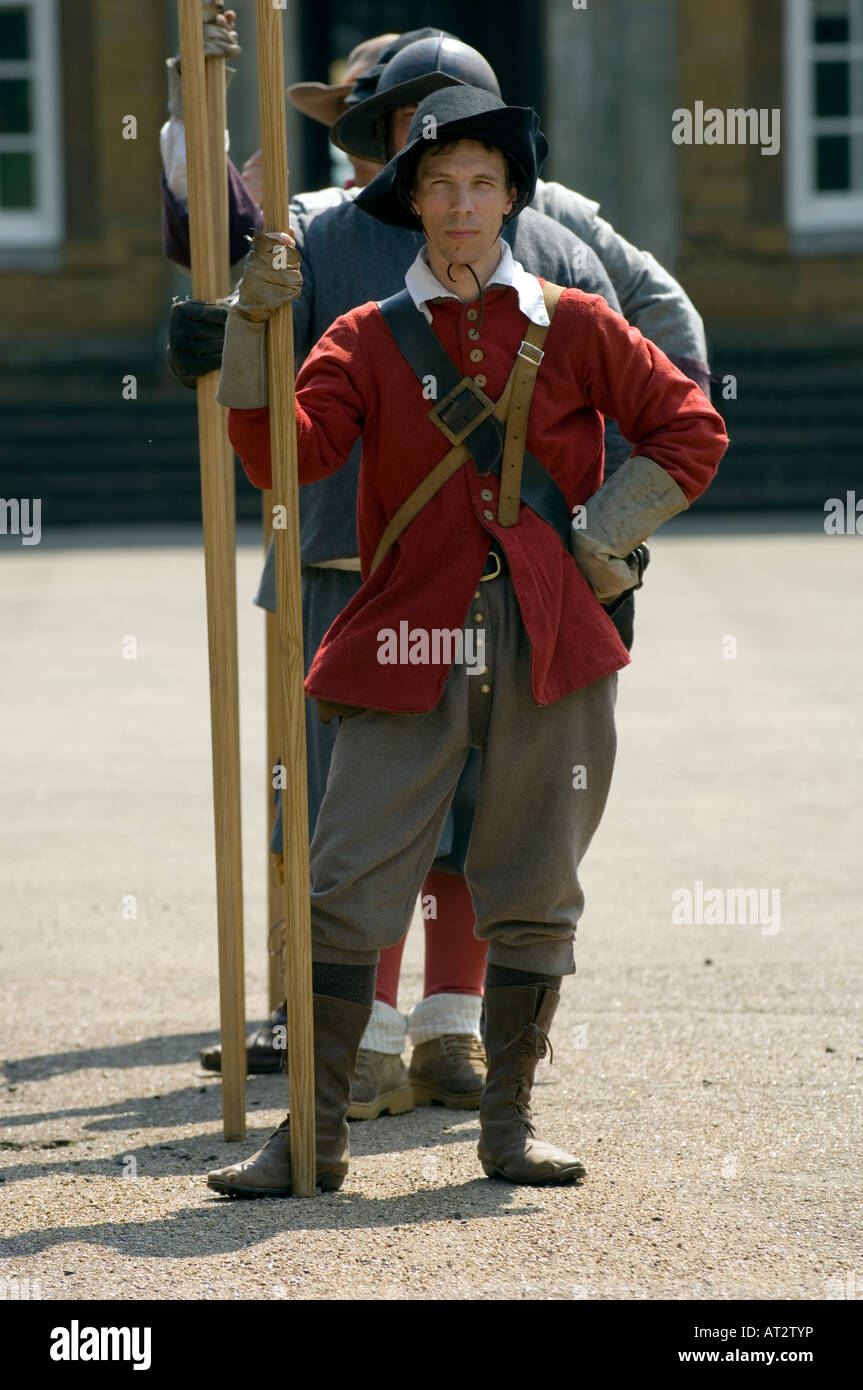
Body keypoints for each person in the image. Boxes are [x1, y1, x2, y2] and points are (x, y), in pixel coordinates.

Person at [162, 21, 712, 1120]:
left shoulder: (570, 266)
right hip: (365, 580)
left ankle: (462, 1053)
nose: (457, 190)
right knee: (354, 830)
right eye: (430, 158)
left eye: (479, 169)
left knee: (504, 837)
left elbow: (679, 387)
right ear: (403, 170)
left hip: (537, 610)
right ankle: (347, 1061)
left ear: (506, 181)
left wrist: (603, 536)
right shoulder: (332, 253)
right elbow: (223, 251)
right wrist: (235, 333)